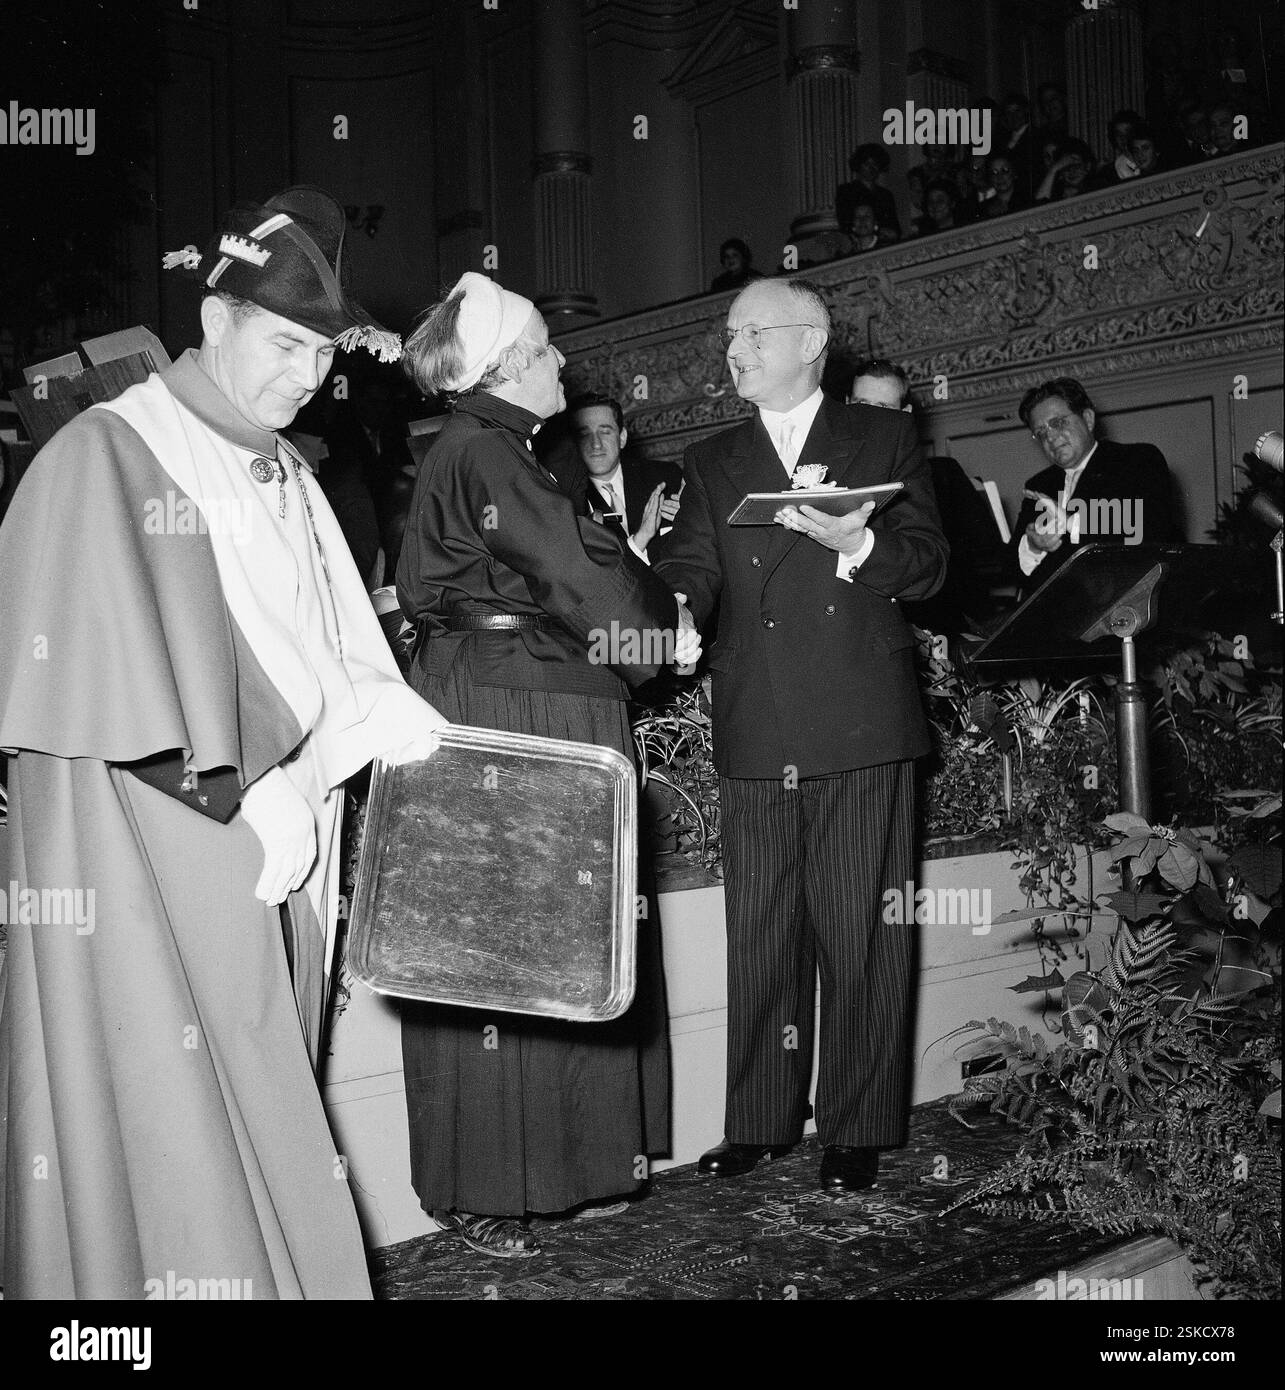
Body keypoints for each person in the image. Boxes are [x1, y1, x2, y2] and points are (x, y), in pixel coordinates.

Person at [0, 186, 445, 1299]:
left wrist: (379, 719)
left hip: (283, 851)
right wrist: (240, 793)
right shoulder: (106, 454)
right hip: (162, 866)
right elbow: (84, 692)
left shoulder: (288, 466)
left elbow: (318, 641)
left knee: (268, 1081)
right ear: (215, 319)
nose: (305, 375)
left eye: (322, 352)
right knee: (179, 1119)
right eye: (284, 341)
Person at [395, 272, 699, 1257]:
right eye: (546, 348)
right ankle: (491, 1185)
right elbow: (579, 566)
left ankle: (560, 1171)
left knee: (535, 945)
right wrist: (665, 634)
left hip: (511, 692)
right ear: (507, 366)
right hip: (510, 703)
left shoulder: (484, 448)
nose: (564, 360)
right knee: (506, 947)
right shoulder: (487, 450)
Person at [654, 278, 947, 1192]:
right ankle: (760, 1121)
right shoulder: (710, 457)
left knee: (861, 932)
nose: (732, 349)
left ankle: (855, 1126)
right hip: (755, 715)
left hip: (859, 717)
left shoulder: (884, 438)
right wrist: (670, 608)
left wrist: (855, 549)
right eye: (728, 333)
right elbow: (691, 563)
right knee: (762, 931)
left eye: (750, 333)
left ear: (809, 341)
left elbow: (932, 568)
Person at [847, 360, 1001, 634]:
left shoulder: (941, 476)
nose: (870, 418)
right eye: (861, 405)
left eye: (883, 408)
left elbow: (981, 561)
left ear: (905, 414)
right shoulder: (821, 476)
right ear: (846, 405)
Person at [1008, 376, 1177, 595]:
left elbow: (1147, 535)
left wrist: (1070, 524)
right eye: (1040, 432)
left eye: (1057, 423)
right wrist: (1034, 547)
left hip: (1121, 608)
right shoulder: (1039, 484)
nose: (1050, 436)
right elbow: (1012, 570)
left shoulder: (1137, 460)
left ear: (1088, 419)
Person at [567, 391, 683, 561]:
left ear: (622, 438)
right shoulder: (567, 501)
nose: (596, 444)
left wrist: (690, 520)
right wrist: (641, 538)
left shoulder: (665, 477)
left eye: (605, 432)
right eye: (584, 434)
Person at [835, 143, 901, 244]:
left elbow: (894, 228)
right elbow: (846, 224)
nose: (871, 168)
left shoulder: (885, 195)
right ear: (858, 165)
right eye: (867, 164)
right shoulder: (846, 191)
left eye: (875, 164)